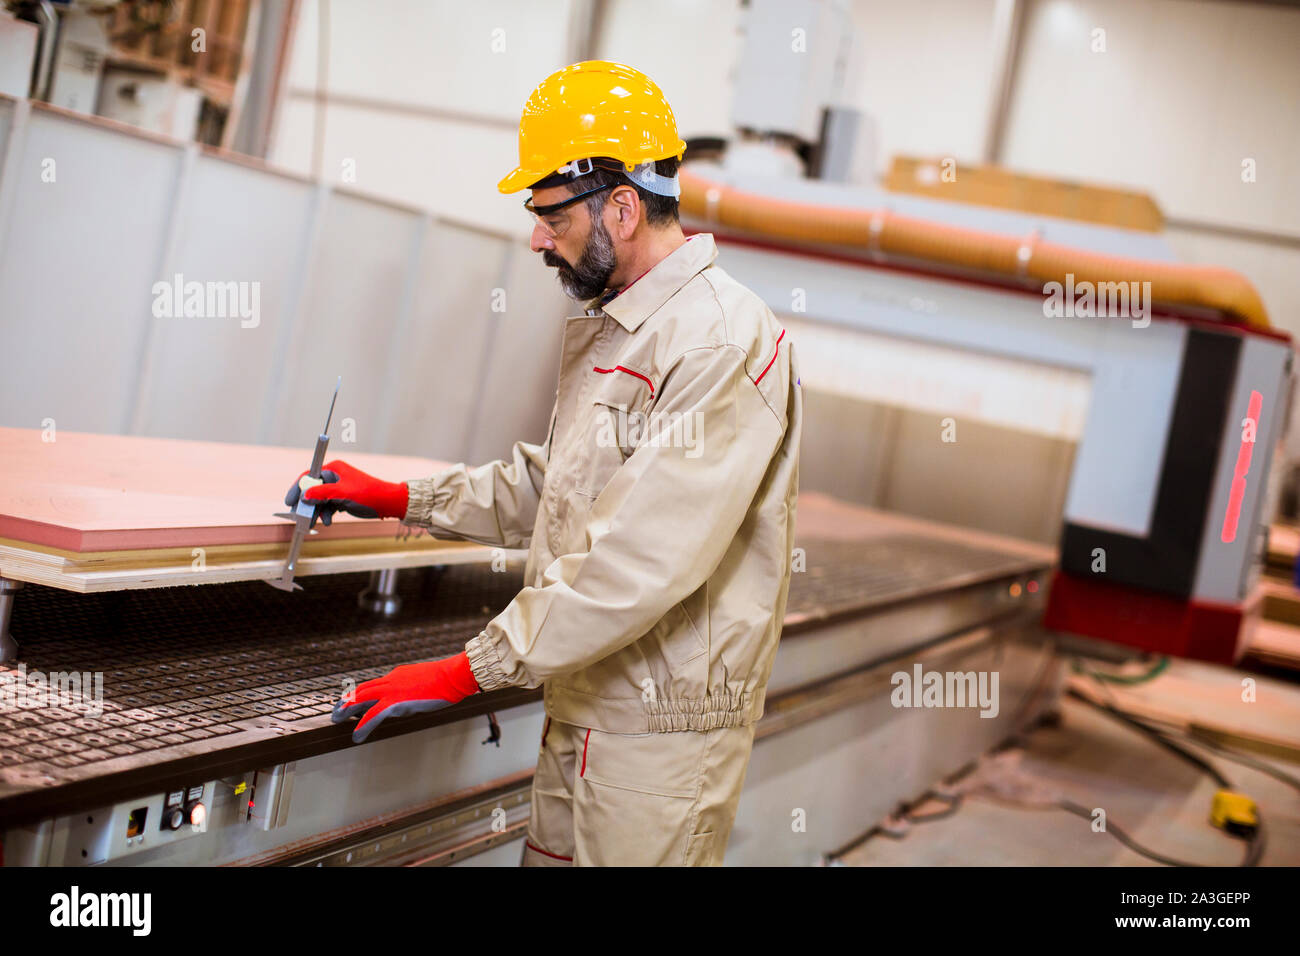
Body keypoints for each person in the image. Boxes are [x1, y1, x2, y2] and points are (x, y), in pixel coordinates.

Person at [287, 60, 801, 866]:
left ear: (623, 207)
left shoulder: (719, 339)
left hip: (655, 742)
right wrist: (398, 497)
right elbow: (556, 484)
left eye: (549, 215)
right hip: (591, 701)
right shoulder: (631, 327)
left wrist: (470, 670)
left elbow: (637, 559)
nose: (536, 237)